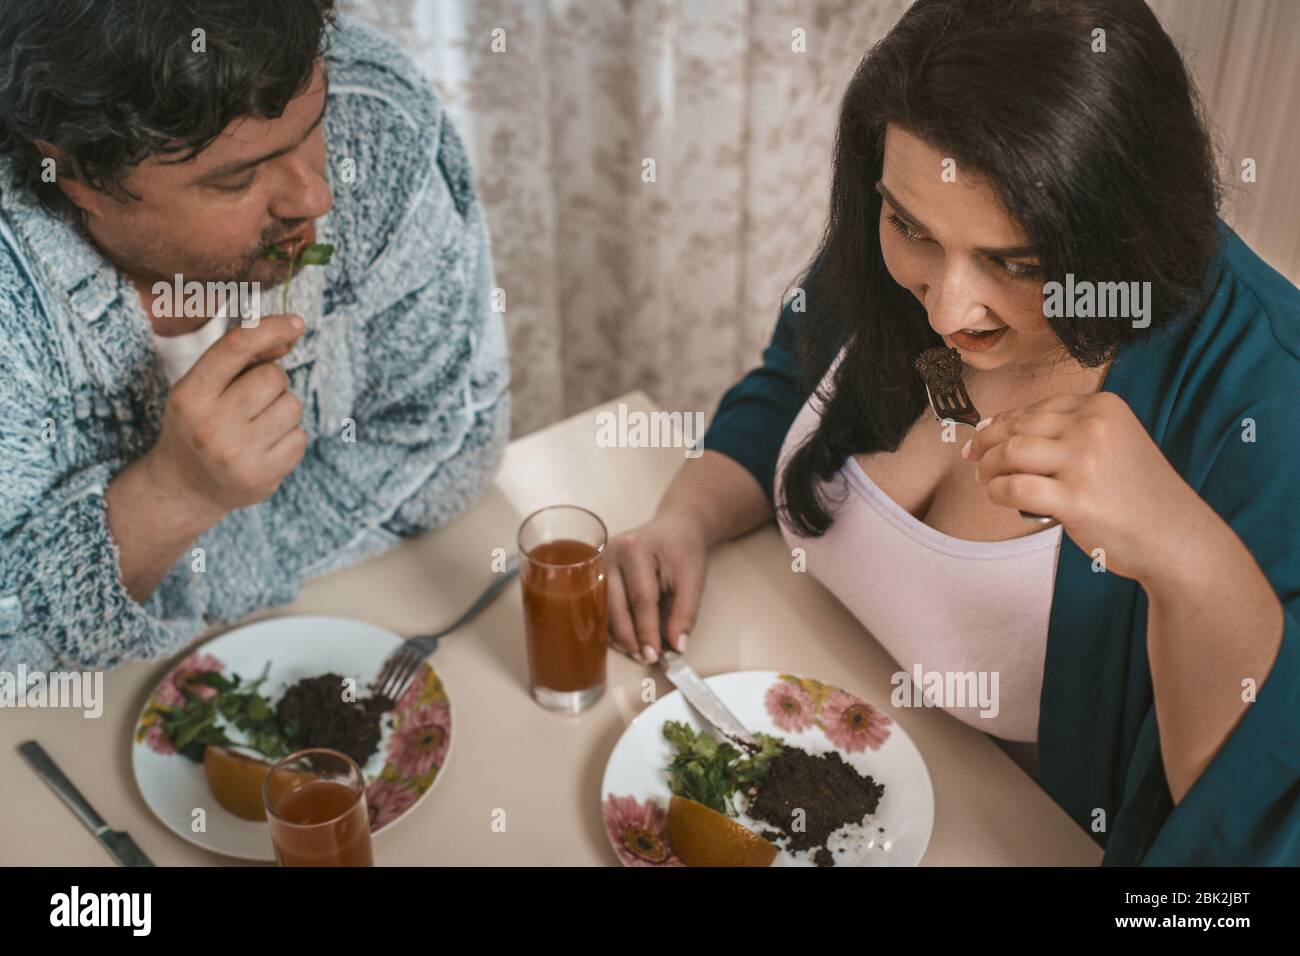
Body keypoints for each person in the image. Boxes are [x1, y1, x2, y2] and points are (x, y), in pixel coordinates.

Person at [606, 0, 1299, 864]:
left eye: (1018, 264)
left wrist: (1182, 551)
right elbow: (791, 381)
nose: (947, 306)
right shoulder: (913, 219)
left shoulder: (1267, 401)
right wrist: (686, 515)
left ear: (1121, 229)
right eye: (912, 231)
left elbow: (1255, 826)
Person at [0, 1, 509, 670]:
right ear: (75, 175)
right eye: (237, 177)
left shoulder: (374, 109)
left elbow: (458, 441)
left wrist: (158, 574)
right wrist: (173, 496)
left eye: (313, 128)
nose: (314, 198)